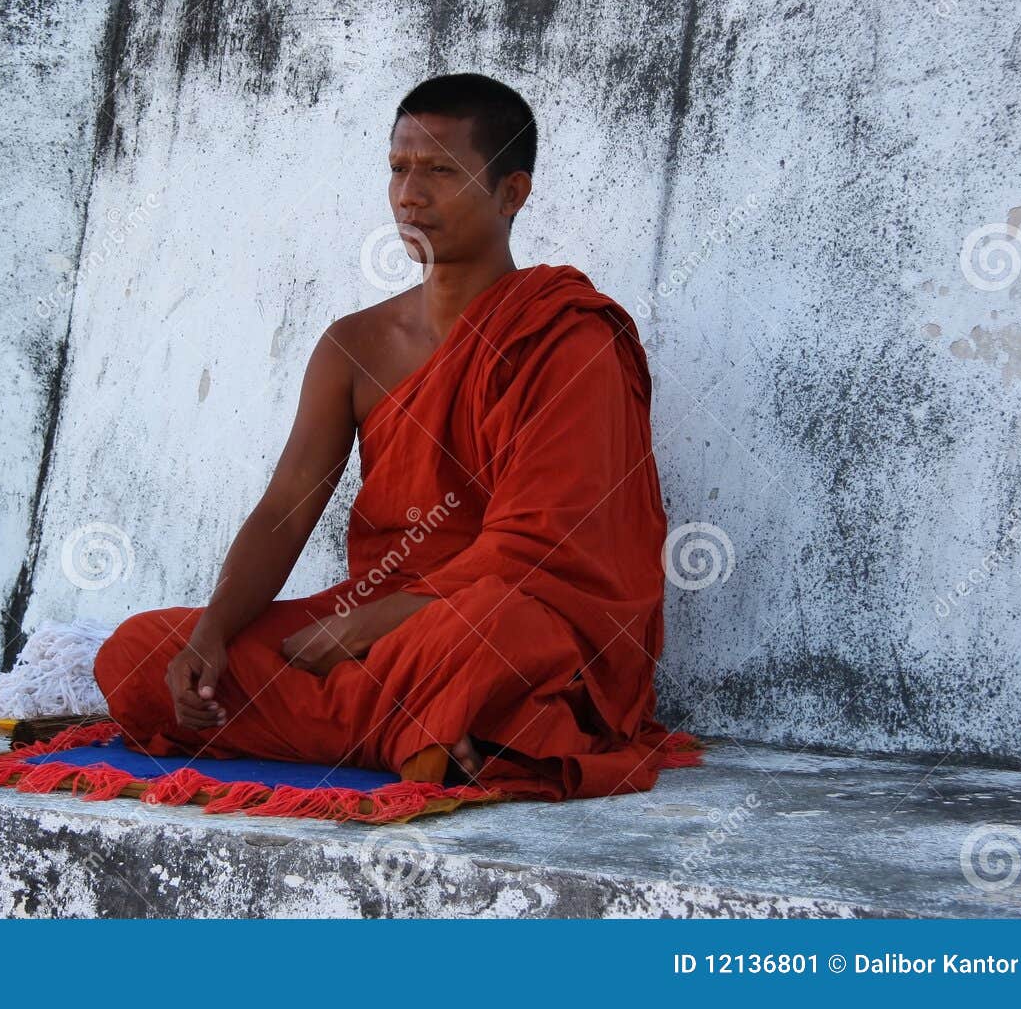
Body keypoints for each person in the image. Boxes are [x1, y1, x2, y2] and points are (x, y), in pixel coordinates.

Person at [92, 73, 680, 798]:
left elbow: (543, 550)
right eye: (399, 169)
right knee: (139, 653)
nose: (410, 195)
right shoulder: (354, 345)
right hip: (387, 638)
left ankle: (408, 721)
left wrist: (372, 625)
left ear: (512, 192)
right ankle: (429, 732)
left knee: (497, 635)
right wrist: (210, 633)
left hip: (477, 622)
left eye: (441, 171)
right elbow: (284, 508)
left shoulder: (565, 337)